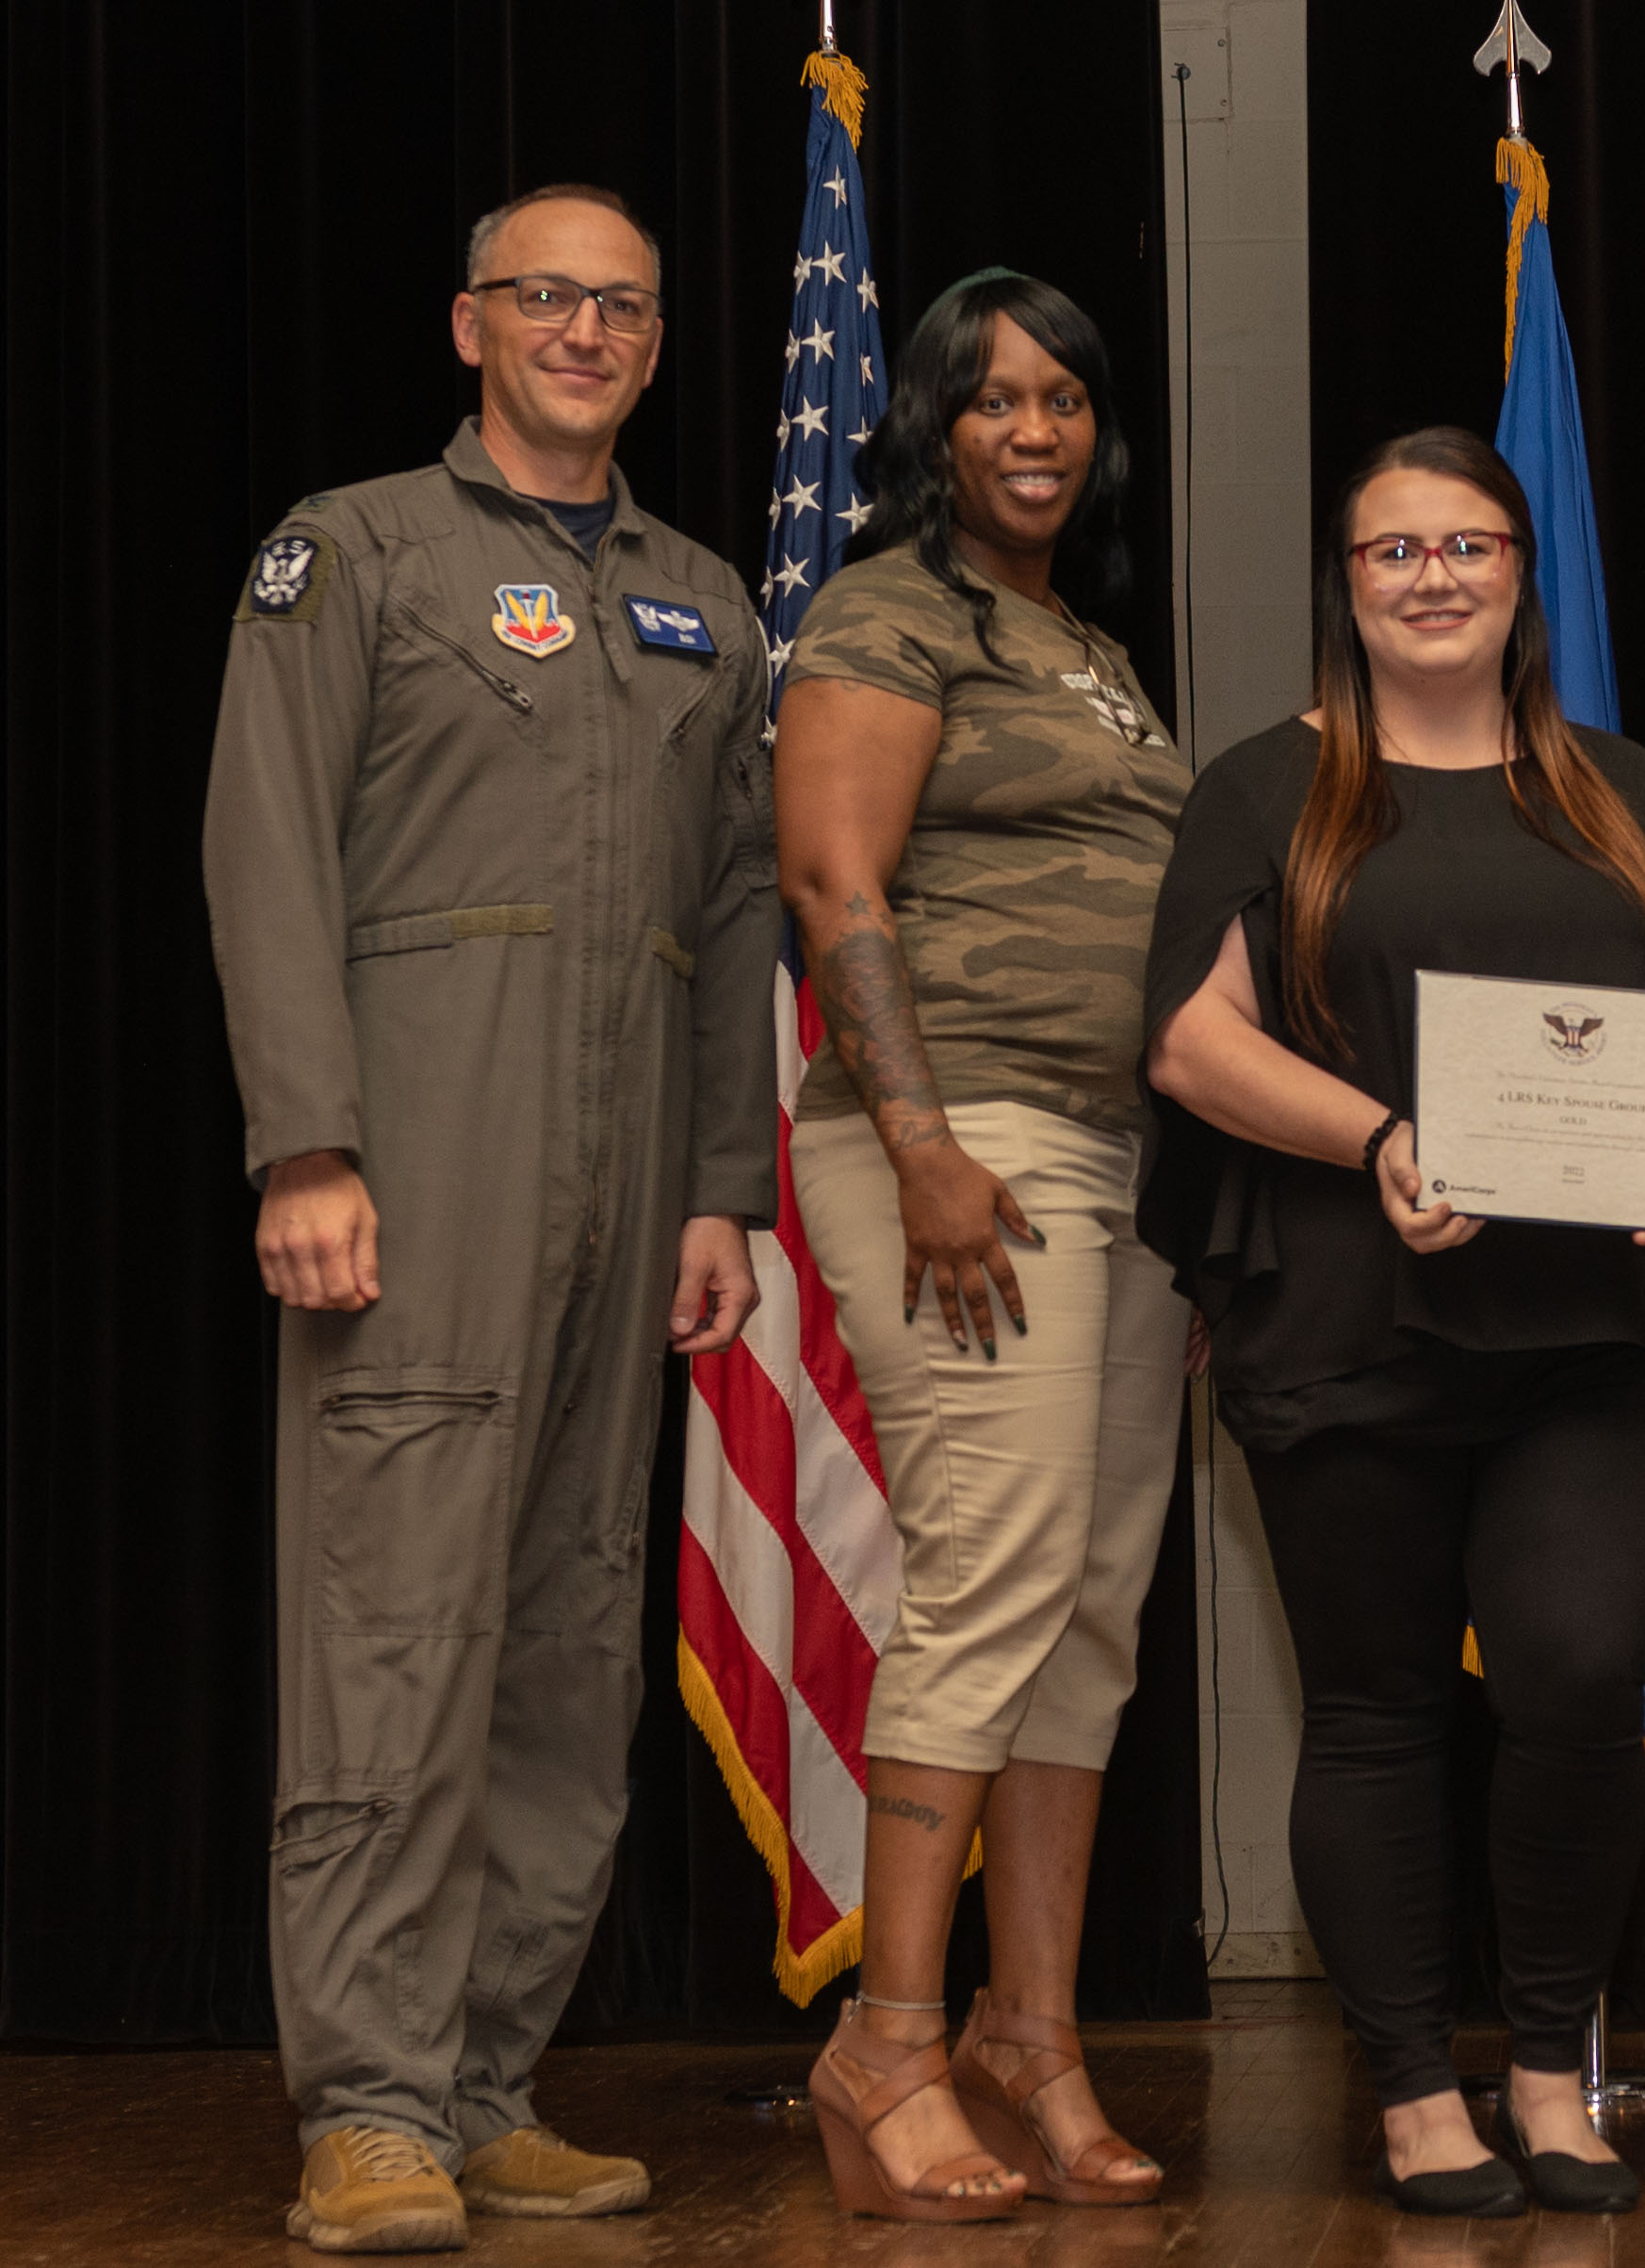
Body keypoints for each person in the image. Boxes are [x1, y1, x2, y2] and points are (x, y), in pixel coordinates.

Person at [202, 183, 776, 2255]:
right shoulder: (352, 551)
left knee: (566, 1637)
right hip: (423, 1162)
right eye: (546, 296)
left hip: (631, 1189)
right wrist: (305, 1141)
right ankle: (365, 2107)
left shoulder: (705, 600)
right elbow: (266, 844)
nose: (584, 330)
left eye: (621, 306)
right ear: (471, 324)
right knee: (395, 1633)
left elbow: (735, 907)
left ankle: (479, 2086)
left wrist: (722, 1192)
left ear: (654, 343)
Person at [1141, 427, 1645, 2220]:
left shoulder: (1618, 787)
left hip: (1582, 1329)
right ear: (1346, 585)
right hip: (1348, 1319)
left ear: (1518, 572)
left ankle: (1549, 2074)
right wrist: (1379, 1137)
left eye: (1466, 544)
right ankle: (1416, 2091)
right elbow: (1190, 1042)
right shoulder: (1266, 786)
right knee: (1377, 1711)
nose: (1432, 577)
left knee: (1575, 1688)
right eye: (1393, 550)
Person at [774, 269, 1191, 2222]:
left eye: (1066, 399)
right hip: (967, 1144)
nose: (1036, 431)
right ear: (930, 424)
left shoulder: (1087, 644)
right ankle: (890, 2042)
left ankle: (1034, 2034)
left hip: (1116, 1163)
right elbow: (832, 876)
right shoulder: (887, 611)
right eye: (994, 399)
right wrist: (925, 1144)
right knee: (993, 1578)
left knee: (1088, 1612)